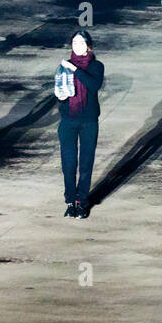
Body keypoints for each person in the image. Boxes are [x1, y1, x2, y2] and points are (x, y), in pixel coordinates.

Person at [56, 30, 105, 219]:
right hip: (68, 120)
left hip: (89, 122)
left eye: (80, 43)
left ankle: (82, 201)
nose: (77, 46)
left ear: (88, 46)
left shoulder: (96, 66)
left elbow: (93, 86)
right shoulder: (64, 67)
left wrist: (75, 70)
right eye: (74, 43)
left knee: (86, 162)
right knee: (68, 163)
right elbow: (61, 89)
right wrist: (60, 97)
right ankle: (70, 200)